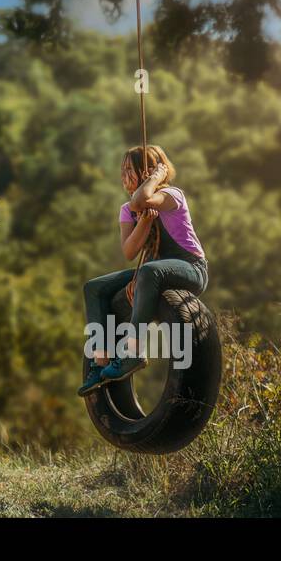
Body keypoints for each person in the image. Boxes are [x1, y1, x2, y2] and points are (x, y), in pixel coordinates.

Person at [77, 144, 209, 396]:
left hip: (190, 268)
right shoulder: (127, 211)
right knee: (93, 288)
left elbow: (142, 199)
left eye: (130, 170)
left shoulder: (171, 195)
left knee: (150, 272)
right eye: (122, 170)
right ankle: (101, 360)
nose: (123, 176)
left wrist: (158, 176)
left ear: (146, 172)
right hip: (153, 272)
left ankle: (133, 351)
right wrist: (145, 223)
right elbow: (129, 252)